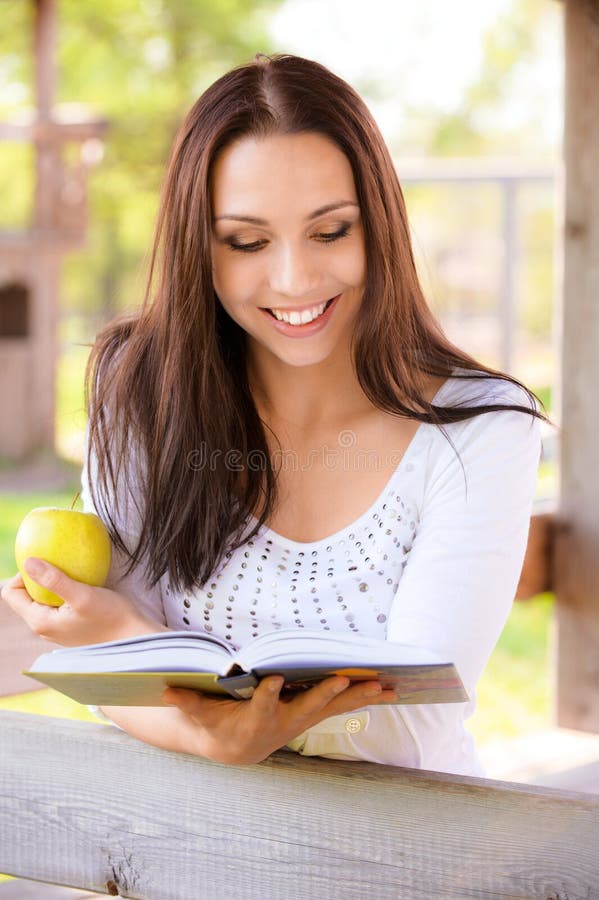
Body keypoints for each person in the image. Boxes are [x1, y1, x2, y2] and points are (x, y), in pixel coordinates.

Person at [2, 53, 545, 775]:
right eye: (247, 242)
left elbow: (410, 730)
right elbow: (102, 676)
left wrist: (162, 672)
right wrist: (208, 731)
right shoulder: (140, 391)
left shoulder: (483, 429)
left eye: (329, 232)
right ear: (201, 246)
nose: (294, 279)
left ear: (378, 226)